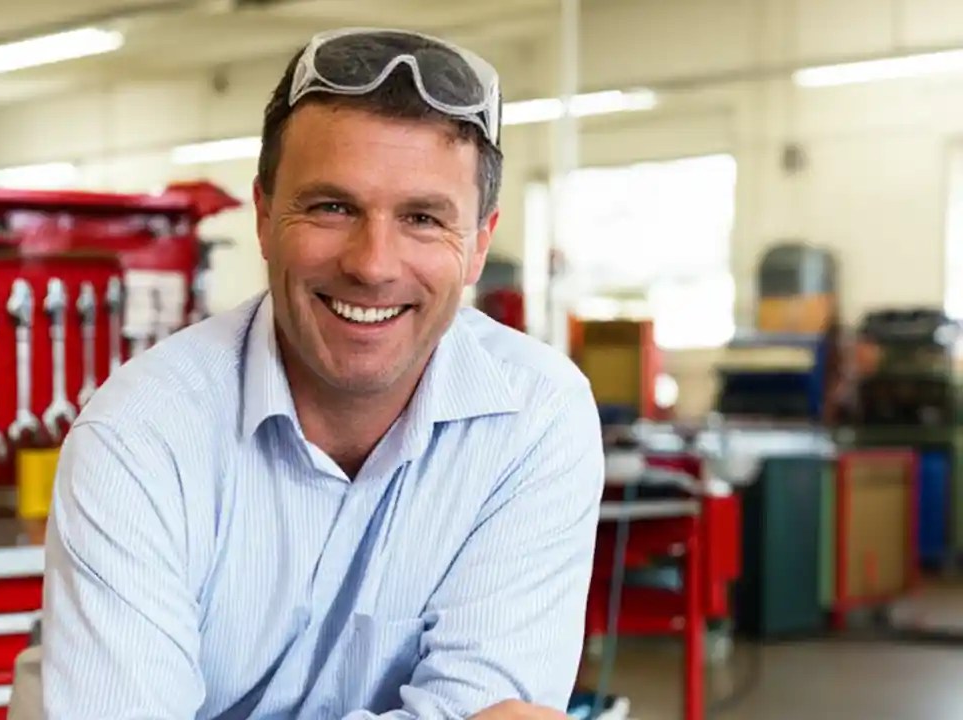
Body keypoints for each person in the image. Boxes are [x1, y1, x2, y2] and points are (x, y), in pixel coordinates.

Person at [42, 27, 605, 720]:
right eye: (332, 208)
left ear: (479, 244)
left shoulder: (536, 417)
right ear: (263, 217)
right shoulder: (141, 434)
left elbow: (494, 707)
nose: (372, 264)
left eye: (422, 218)